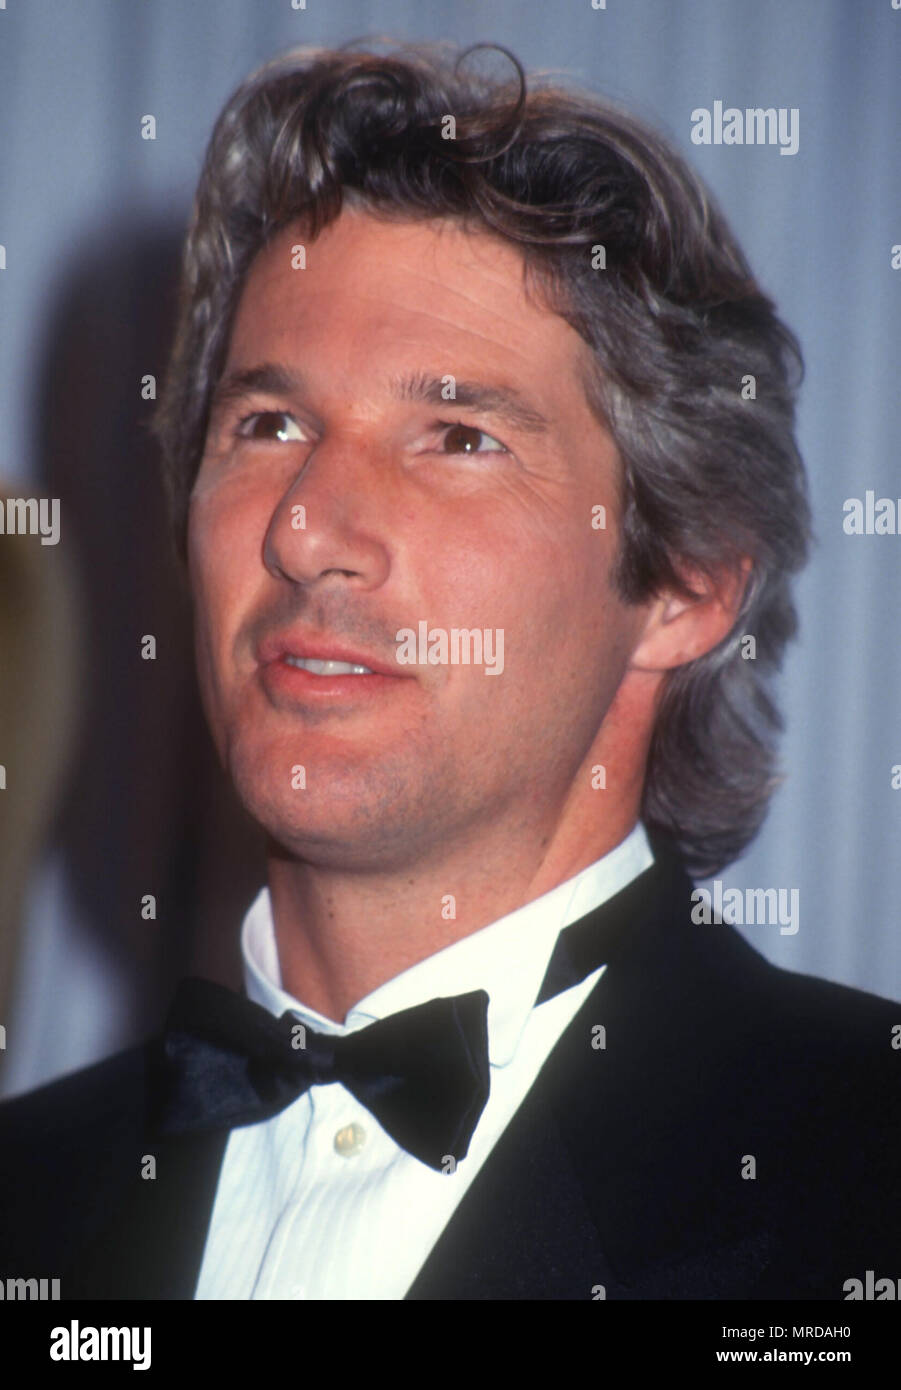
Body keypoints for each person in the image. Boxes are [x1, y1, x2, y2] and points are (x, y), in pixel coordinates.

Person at [1, 41, 898, 1302]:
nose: (305, 527)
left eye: (457, 437)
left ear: (687, 586)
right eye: (270, 423)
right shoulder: (28, 1189)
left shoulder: (862, 1175)